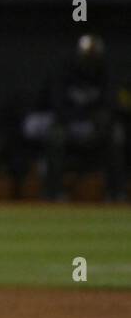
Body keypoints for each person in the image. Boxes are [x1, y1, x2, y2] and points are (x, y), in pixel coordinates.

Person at [22, 35, 127, 201]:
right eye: (87, 57)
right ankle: (53, 191)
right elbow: (58, 106)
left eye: (93, 57)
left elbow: (110, 105)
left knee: (116, 134)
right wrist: (83, 121)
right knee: (56, 134)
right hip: (57, 121)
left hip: (87, 126)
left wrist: (99, 122)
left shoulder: (105, 74)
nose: (89, 62)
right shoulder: (64, 71)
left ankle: (116, 191)